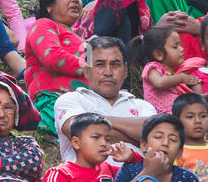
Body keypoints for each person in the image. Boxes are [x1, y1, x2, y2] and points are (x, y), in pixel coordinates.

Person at [53, 36, 156, 164]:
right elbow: (79, 131)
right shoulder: (71, 100)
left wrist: (94, 122)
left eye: (115, 64)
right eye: (99, 64)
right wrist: (137, 139)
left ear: (125, 71)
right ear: (86, 70)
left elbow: (155, 135)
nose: (108, 72)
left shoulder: (142, 106)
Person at [25, 0, 88, 132]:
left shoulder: (85, 40)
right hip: (53, 99)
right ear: (49, 6)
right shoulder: (43, 24)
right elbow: (52, 56)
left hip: (87, 103)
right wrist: (89, 67)